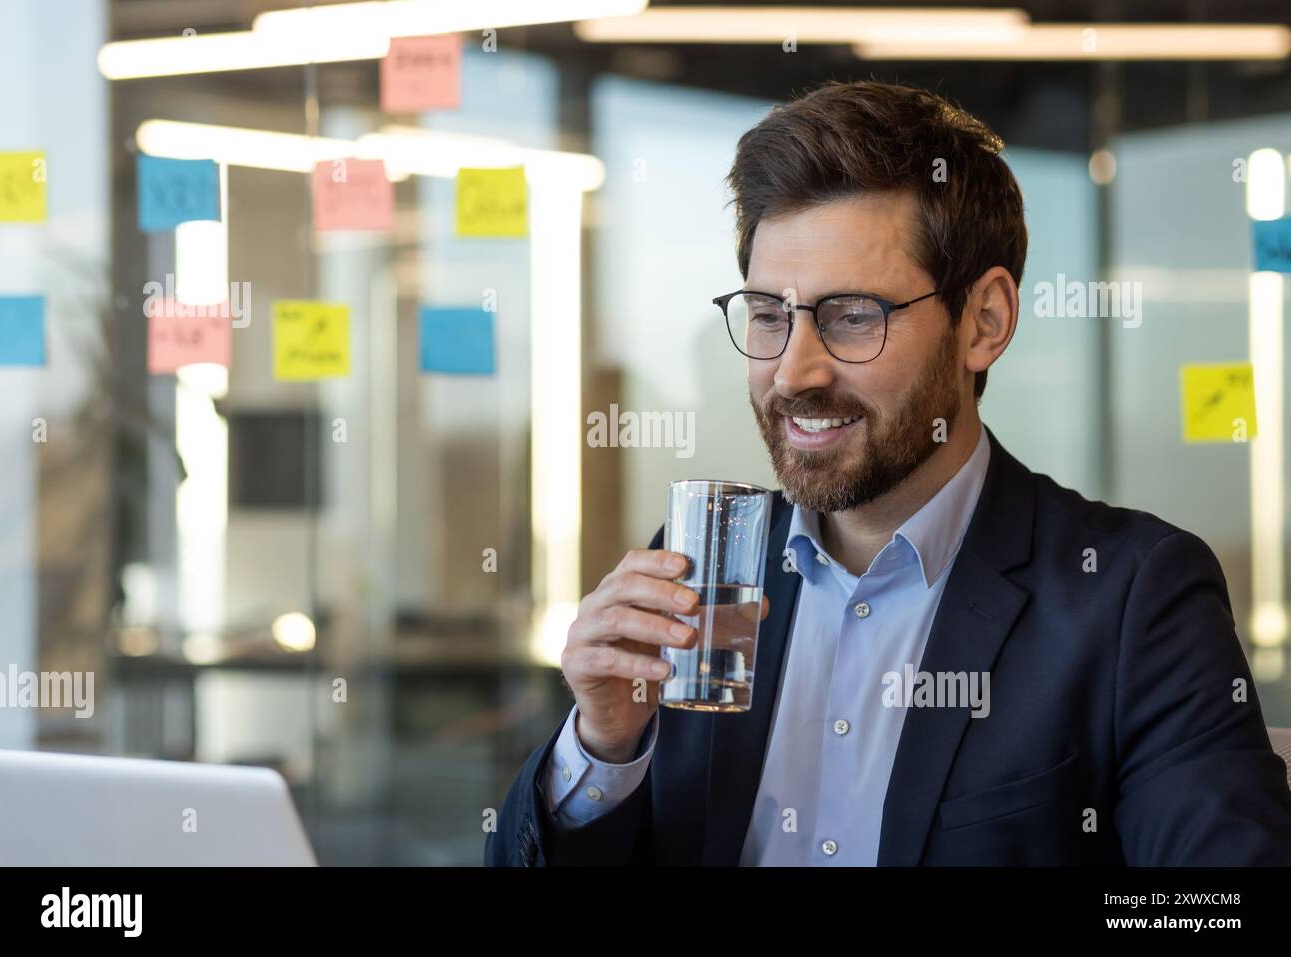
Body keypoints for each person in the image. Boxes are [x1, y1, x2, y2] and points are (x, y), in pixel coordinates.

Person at [486, 80, 1291, 866]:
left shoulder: (1131, 600)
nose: (794, 371)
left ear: (985, 322)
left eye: (852, 317)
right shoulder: (702, 584)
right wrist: (600, 745)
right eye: (770, 314)